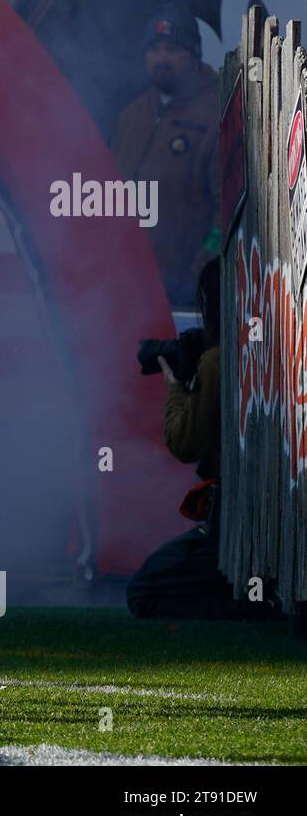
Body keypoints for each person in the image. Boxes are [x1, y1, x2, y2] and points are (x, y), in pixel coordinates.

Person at [127, 260, 279, 619]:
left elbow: (184, 443)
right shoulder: (267, 352)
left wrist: (177, 390)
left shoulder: (217, 360)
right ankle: (257, 602)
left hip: (235, 522)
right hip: (268, 517)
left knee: (143, 592)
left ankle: (250, 611)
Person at [110, 6, 221, 308]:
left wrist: (203, 273)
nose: (161, 58)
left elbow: (227, 209)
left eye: (172, 49)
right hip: (128, 282)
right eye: (154, 49)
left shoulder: (217, 113)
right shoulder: (132, 115)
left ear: (194, 54)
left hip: (186, 292)